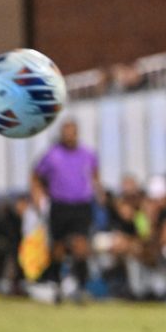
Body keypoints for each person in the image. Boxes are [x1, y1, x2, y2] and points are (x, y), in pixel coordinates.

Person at [31, 119, 100, 300]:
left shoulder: (88, 154)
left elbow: (95, 175)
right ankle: (55, 282)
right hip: (60, 205)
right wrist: (38, 197)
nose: (69, 136)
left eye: (72, 132)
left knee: (81, 245)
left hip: (81, 205)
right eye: (65, 132)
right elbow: (36, 177)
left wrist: (99, 194)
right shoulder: (51, 155)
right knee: (58, 247)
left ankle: (81, 285)